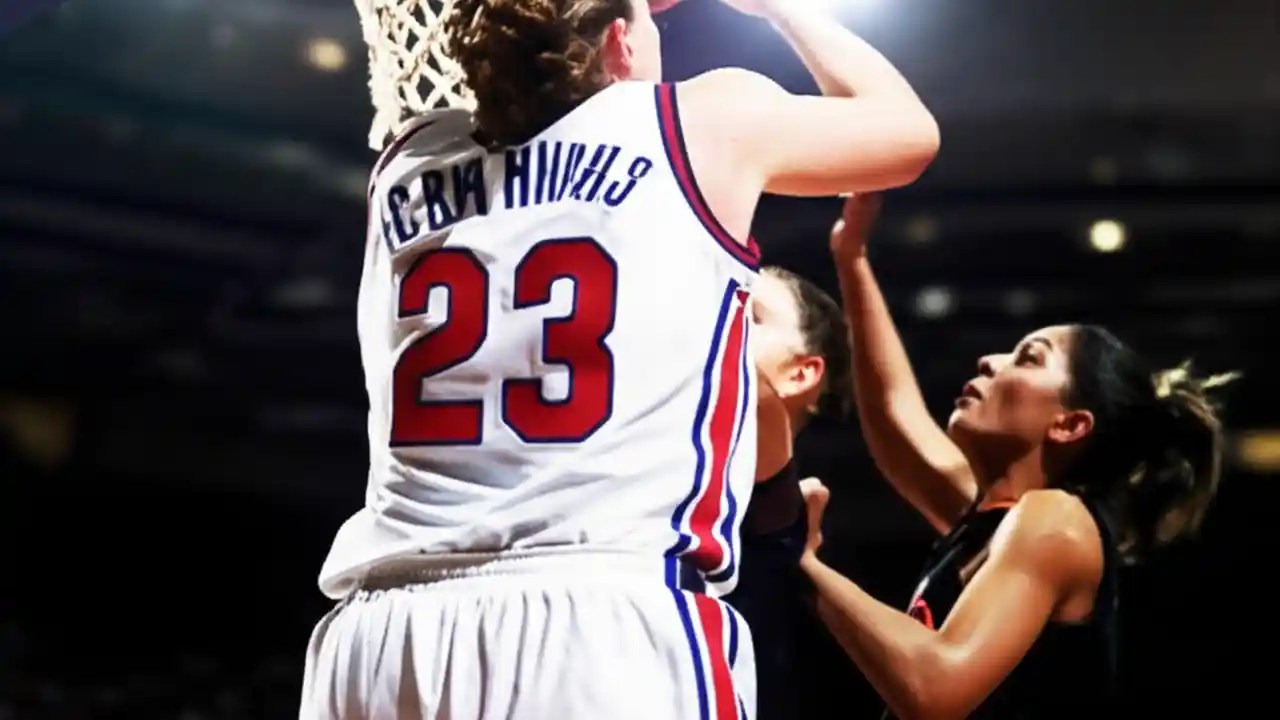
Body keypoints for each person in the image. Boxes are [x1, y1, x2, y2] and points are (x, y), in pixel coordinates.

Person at [300, 0, 939, 716]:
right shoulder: (698, 123)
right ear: (619, 44)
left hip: (380, 637)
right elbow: (908, 132)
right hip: (600, 622)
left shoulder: (407, 158)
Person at [796, 193, 1237, 719]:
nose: (991, 360)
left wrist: (799, 562)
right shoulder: (997, 518)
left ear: (1069, 425)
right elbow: (895, 418)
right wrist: (853, 258)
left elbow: (935, 691)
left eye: (1028, 358)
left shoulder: (1055, 521)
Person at [728, 266, 852, 720]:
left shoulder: (783, 501)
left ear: (802, 374)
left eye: (750, 313)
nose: (722, 314)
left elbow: (758, 405)